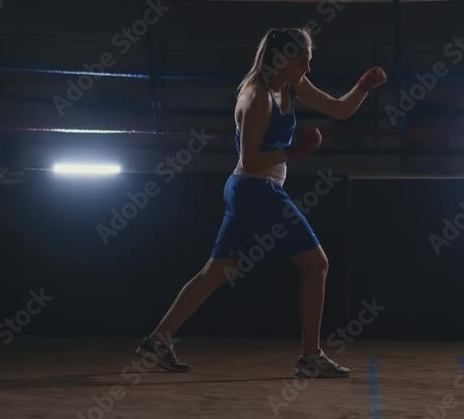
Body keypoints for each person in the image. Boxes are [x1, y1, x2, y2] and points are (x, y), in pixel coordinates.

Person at [137, 27, 386, 378]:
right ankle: (310, 358)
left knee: (216, 271)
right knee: (316, 264)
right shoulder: (256, 97)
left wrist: (363, 85)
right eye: (303, 60)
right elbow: (252, 161)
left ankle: (157, 341)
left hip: (249, 189)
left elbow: (338, 109)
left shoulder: (291, 84)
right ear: (282, 59)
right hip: (256, 188)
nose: (308, 68)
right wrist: (293, 151)